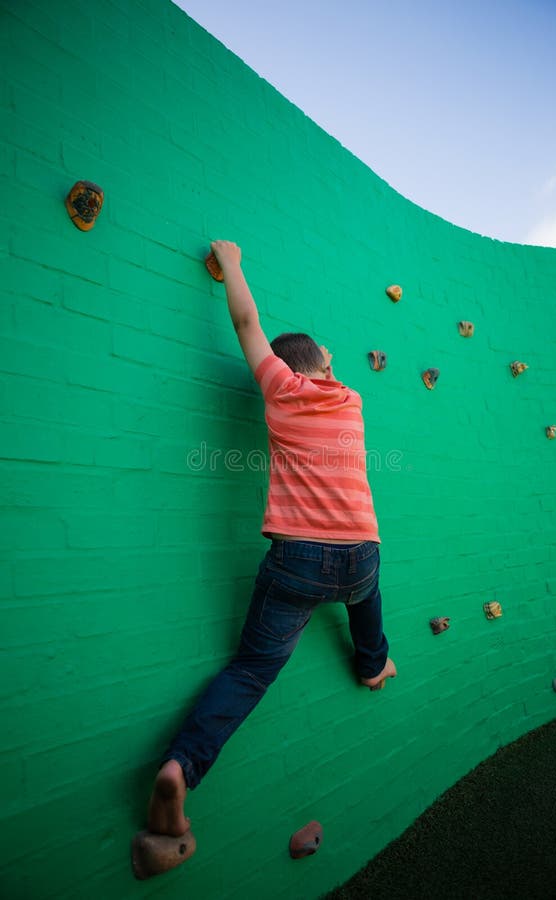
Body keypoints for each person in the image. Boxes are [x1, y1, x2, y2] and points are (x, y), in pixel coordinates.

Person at [147, 240, 395, 838]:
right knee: (366, 598)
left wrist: (231, 262)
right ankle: (373, 663)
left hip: (298, 560)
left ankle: (182, 768)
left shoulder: (281, 393)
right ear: (327, 369)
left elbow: (246, 321)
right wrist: (327, 364)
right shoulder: (352, 402)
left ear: (285, 373)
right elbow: (318, 364)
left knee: (253, 671)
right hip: (360, 552)